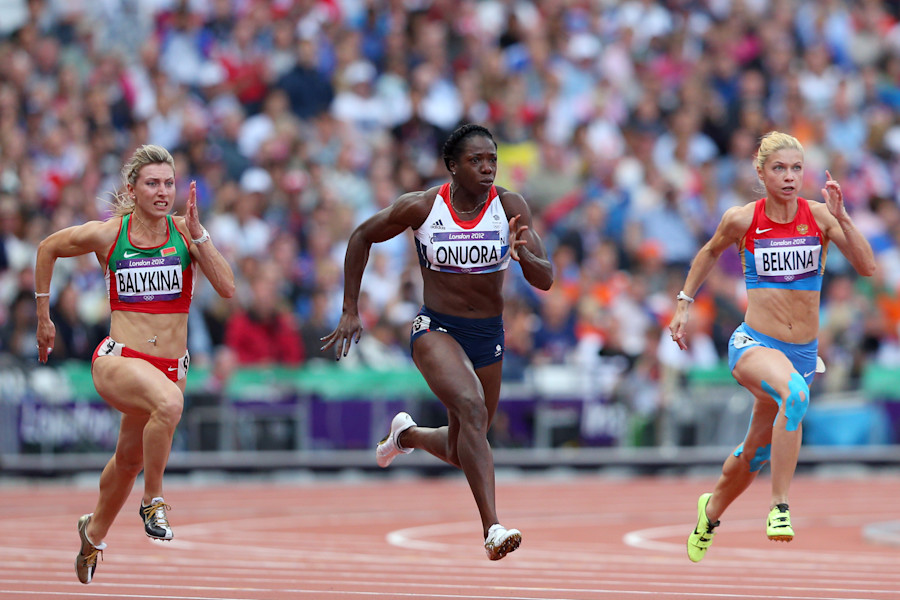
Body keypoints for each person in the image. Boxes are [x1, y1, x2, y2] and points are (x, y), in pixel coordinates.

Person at [321, 123, 553, 560]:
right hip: (436, 329)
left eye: (492, 161)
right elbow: (361, 236)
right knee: (471, 409)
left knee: (463, 442)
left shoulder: (510, 206)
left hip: (488, 334)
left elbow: (547, 279)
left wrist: (526, 257)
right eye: (475, 161)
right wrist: (350, 308)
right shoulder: (424, 207)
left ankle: (406, 436)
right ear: (452, 166)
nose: (487, 169)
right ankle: (493, 529)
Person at [668, 131, 875, 563]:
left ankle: (711, 511)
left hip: (801, 354)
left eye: (796, 168)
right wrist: (684, 304)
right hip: (754, 345)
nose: (789, 176)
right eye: (779, 168)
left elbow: (867, 266)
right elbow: (707, 253)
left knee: (753, 455)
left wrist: (844, 216)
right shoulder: (743, 219)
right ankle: (780, 507)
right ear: (760, 173)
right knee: (795, 397)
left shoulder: (819, 217)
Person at [34, 145, 235, 583]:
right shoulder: (111, 234)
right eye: (153, 183)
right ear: (133, 188)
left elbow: (227, 288)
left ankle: (93, 532)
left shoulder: (186, 233)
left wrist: (200, 236)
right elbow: (48, 247)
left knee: (127, 459)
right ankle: (154, 500)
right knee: (169, 406)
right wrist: (43, 316)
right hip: (119, 359)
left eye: (169, 183)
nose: (163, 192)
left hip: (168, 368)